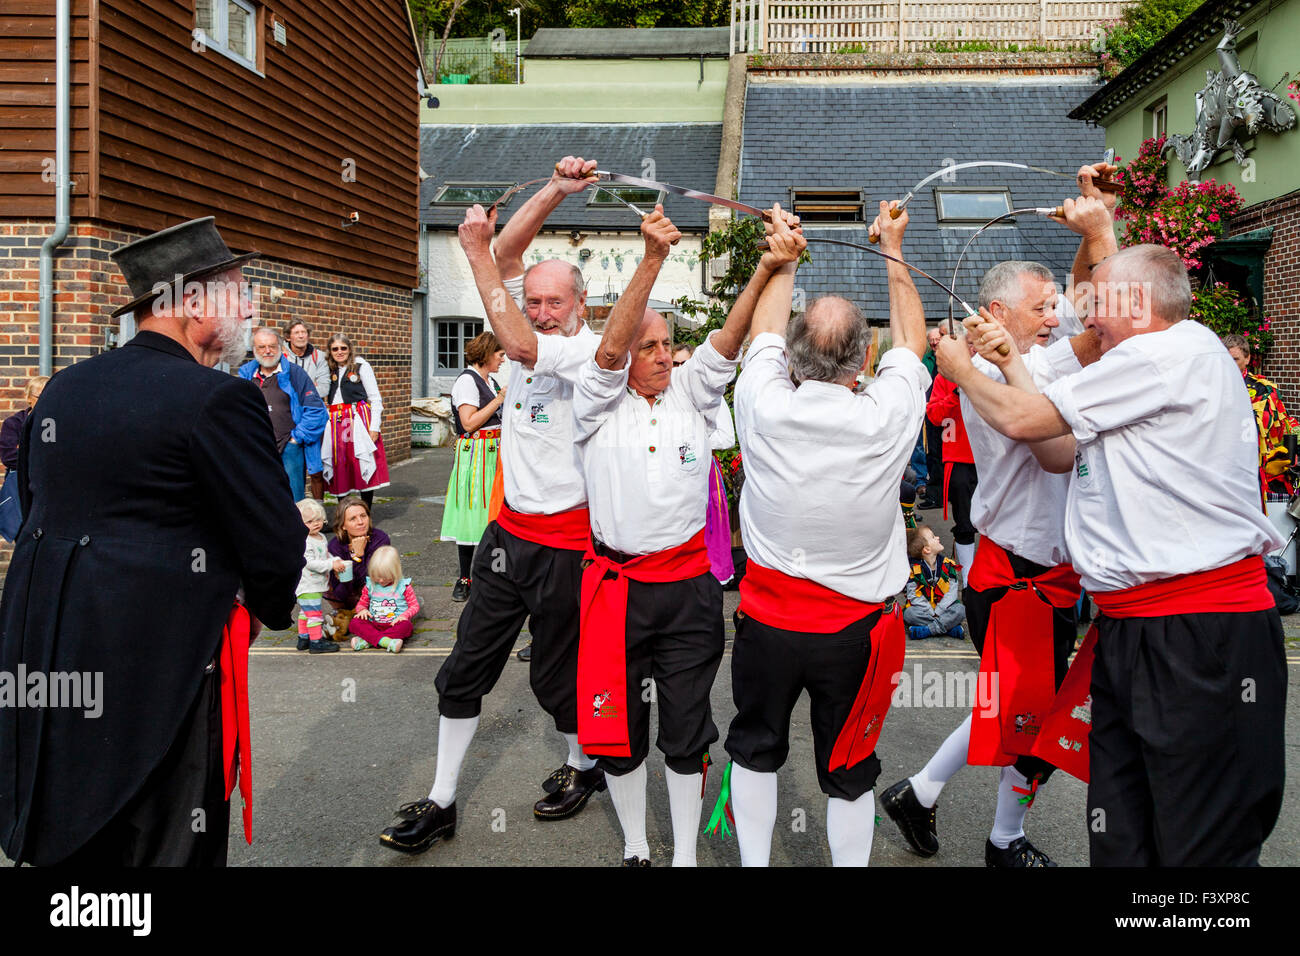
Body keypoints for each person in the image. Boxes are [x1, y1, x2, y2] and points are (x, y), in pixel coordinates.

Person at [938, 241, 1287, 866]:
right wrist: (1011, 364)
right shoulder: (1133, 362)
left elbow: (1027, 422)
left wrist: (960, 368)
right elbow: (1058, 451)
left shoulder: (1166, 353)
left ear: (1136, 302)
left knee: (1201, 837)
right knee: (1124, 825)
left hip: (1196, 629)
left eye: (1096, 302)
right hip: (1132, 627)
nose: (1084, 317)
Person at [0, 216, 305, 866]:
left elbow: (33, 510)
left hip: (52, 671)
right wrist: (266, 605)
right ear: (191, 303)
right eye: (238, 292)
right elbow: (275, 543)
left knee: (78, 852)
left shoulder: (63, 390)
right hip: (163, 678)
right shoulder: (219, 400)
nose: (249, 309)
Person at [381, 156, 608, 854]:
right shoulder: (523, 339)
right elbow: (507, 256)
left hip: (572, 542)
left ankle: (583, 764)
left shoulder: (593, 353)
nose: (539, 312)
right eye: (531, 301)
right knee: (465, 667)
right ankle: (443, 799)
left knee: (555, 676)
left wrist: (476, 252)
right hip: (510, 533)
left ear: (581, 306)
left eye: (553, 303)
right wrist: (557, 190)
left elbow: (513, 330)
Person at [572, 205, 801, 867]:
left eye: (668, 342)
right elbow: (610, 349)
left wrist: (764, 267)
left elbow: (727, 340)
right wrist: (652, 258)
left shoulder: (694, 392)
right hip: (614, 592)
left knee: (685, 728)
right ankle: (638, 849)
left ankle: (685, 856)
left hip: (688, 591)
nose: (664, 356)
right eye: (651, 346)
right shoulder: (595, 400)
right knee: (616, 731)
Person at [715, 200, 928, 867]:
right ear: (865, 359)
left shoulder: (761, 400)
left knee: (755, 746)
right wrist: (893, 247)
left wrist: (782, 255)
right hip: (855, 633)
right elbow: (914, 343)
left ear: (795, 360)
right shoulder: (888, 409)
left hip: (770, 625)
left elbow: (766, 335)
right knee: (850, 763)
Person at [441, 330, 508, 602]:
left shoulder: (488, 380)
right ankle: (465, 577)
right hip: (477, 455)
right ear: (487, 354)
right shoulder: (468, 382)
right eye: (500, 355)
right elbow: (468, 423)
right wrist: (500, 399)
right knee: (471, 511)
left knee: (495, 515)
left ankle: (496, 574)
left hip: (493, 453)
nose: (503, 360)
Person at [672, 341, 737, 585]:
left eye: (684, 364)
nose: (679, 368)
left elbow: (727, 438)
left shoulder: (711, 396)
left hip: (704, 472)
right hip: (674, 471)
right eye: (675, 363)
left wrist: (695, 438)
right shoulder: (665, 394)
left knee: (708, 529)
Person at [238, 327, 328, 503]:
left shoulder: (295, 374)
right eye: (262, 347)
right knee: (260, 498)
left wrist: (296, 439)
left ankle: (296, 530)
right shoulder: (246, 376)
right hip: (257, 447)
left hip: (289, 448)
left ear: (281, 347)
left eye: (272, 346)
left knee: (294, 499)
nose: (267, 351)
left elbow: (317, 411)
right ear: (254, 350)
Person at [925, 325, 977, 583]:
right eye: (968, 344)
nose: (973, 349)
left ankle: (989, 578)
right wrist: (956, 394)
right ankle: (968, 581)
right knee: (964, 523)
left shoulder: (989, 370)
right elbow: (933, 415)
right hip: (959, 458)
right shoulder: (945, 377)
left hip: (993, 459)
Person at [1223, 332, 1296, 502]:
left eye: (1235, 359)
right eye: (1225, 360)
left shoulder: (1262, 390)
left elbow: (1268, 431)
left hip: (1252, 467)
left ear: (1247, 359)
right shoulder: (1210, 386)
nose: (1229, 365)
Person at [322, 333, 389, 507]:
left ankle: (365, 512)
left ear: (349, 349)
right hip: (336, 421)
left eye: (343, 348)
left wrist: (375, 427)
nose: (339, 352)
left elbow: (375, 398)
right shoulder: (327, 369)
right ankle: (343, 515)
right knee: (339, 467)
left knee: (362, 463)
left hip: (358, 419)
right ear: (330, 351)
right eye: (335, 349)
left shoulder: (361, 366)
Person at [323, 495, 393, 636]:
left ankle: (346, 619)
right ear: (343, 525)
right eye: (353, 519)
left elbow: (371, 580)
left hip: (374, 595)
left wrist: (358, 557)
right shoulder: (335, 546)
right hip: (344, 598)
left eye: (363, 516)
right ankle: (351, 616)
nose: (360, 522)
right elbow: (341, 593)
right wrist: (356, 558)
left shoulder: (380, 539)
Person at [283, 319, 331, 499]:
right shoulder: (282, 358)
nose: (301, 336)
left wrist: (296, 393)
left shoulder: (319, 357)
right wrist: (309, 388)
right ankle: (297, 512)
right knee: (293, 470)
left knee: (316, 469)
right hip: (289, 419)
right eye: (297, 332)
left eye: (304, 332)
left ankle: (319, 512)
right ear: (288, 337)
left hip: (313, 418)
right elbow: (280, 388)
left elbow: (324, 388)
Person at [0, 375, 49, 542]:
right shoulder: (14, 424)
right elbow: (9, 457)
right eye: (39, 396)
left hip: (48, 493)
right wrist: (40, 451)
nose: (44, 400)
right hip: (21, 493)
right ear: (28, 398)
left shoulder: (55, 423)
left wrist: (24, 449)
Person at [349, 545, 420, 653]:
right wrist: (362, 610)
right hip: (373, 623)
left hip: (394, 624)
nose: (381, 580)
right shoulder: (370, 585)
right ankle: (386, 642)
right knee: (354, 623)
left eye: (386, 577)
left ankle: (368, 641)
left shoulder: (403, 586)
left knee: (406, 626)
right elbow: (361, 604)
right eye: (377, 576)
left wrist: (404, 616)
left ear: (395, 572)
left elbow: (414, 606)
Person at [296, 497, 346, 653]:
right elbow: (309, 563)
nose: (315, 524)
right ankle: (316, 642)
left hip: (315, 584)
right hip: (307, 585)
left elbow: (323, 556)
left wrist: (334, 559)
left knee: (306, 613)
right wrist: (331, 565)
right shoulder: (304, 541)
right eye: (309, 522)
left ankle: (303, 638)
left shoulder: (321, 537)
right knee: (315, 615)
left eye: (318, 519)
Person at [902, 525, 965, 640]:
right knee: (909, 613)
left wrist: (939, 610)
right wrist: (931, 612)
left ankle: (927, 630)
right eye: (933, 537)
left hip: (945, 607)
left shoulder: (948, 564)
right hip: (924, 610)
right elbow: (913, 595)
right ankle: (948, 627)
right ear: (927, 550)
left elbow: (952, 592)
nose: (938, 538)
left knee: (960, 610)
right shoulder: (913, 569)